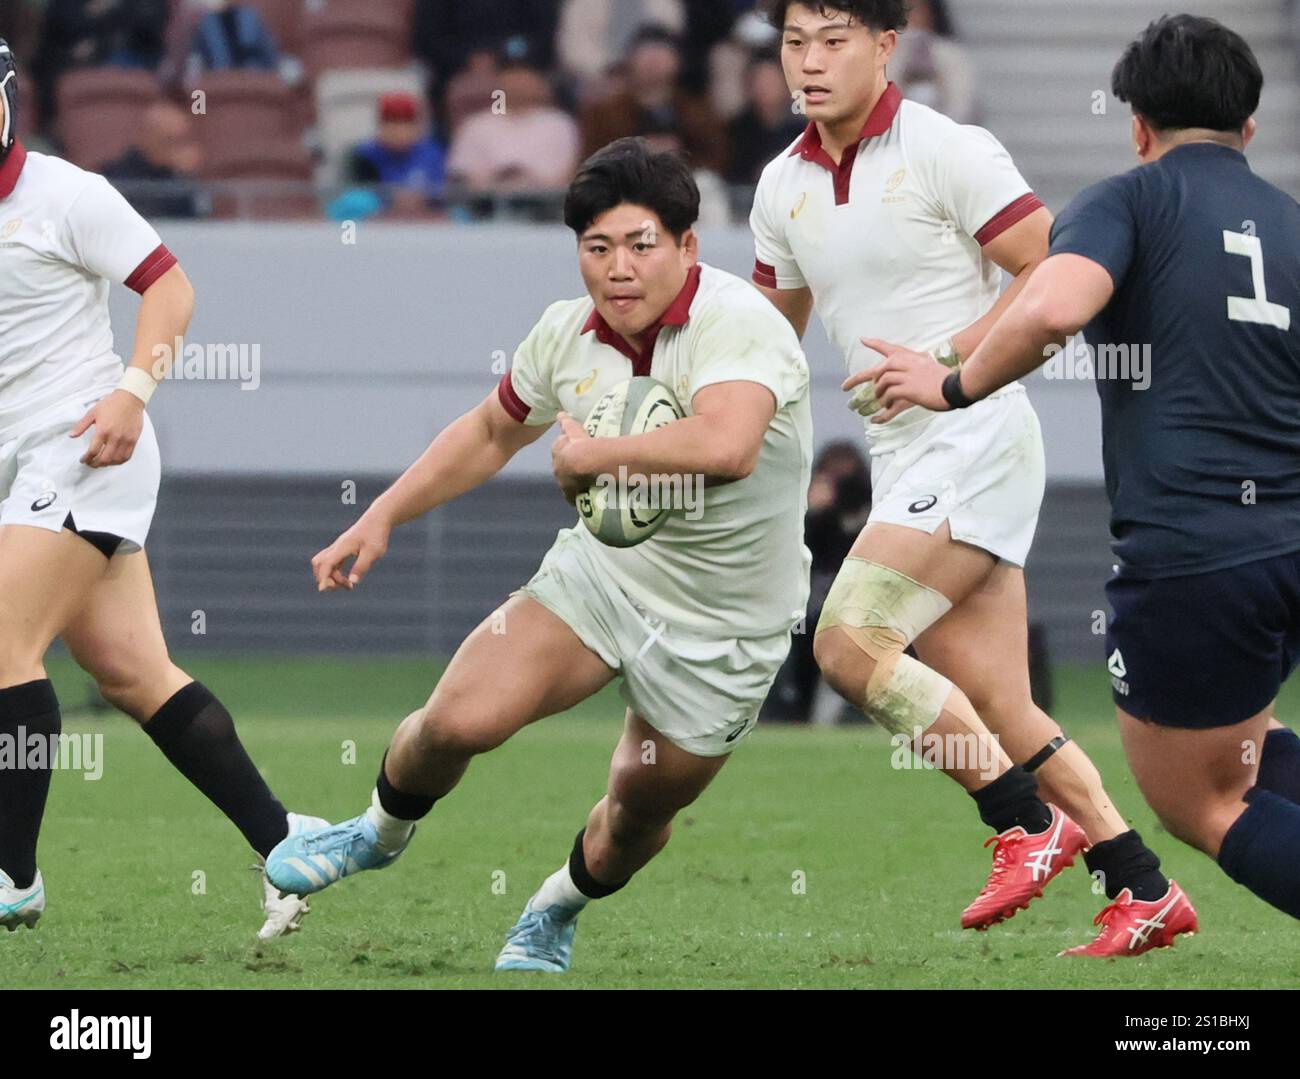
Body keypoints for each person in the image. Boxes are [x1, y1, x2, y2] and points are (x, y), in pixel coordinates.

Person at [265, 137, 816, 974]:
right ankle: (374, 832)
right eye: (598, 248)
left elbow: (730, 443)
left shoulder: (740, 323)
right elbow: (491, 431)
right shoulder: (566, 334)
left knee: (635, 814)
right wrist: (381, 515)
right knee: (455, 719)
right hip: (601, 579)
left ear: (687, 246)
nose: (618, 268)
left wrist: (594, 456)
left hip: (726, 625)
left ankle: (555, 905)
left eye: (640, 244)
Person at [750, 0, 1194, 955]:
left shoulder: (949, 147)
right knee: (1000, 701)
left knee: (849, 643)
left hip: (975, 430)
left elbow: (1055, 274)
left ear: (884, 45)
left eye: (834, 41)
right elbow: (765, 339)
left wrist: (945, 363)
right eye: (795, 43)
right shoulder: (779, 184)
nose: (811, 62)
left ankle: (1022, 823)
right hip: (906, 453)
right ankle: (1139, 882)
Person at [861, 14, 1300, 936]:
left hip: (1195, 550)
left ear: (1136, 123)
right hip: (1288, 538)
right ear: (1249, 129)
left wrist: (951, 383)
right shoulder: (1291, 225)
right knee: (1246, 757)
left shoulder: (1128, 198)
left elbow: (1055, 306)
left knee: (1200, 800)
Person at [0, 40, 324, 938]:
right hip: (21, 468)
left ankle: (10, 875)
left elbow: (171, 290)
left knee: (0, 641)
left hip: (86, 446)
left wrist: (132, 394)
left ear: (7, 102)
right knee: (134, 672)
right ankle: (285, 840)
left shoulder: (65, 194)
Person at [579, 26, 725, 174]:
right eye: (645, 56)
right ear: (630, 62)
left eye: (661, 56)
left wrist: (680, 156)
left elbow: (716, 157)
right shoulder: (603, 114)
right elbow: (591, 162)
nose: (653, 64)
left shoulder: (698, 113)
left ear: (678, 62)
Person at [447, 65, 579, 194]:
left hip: (547, 203)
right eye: (512, 76)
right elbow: (461, 172)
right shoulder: (477, 123)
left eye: (524, 76)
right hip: (485, 205)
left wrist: (528, 180)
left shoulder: (560, 123)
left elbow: (570, 171)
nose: (518, 83)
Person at [102, 102, 206, 220]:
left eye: (183, 141)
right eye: (169, 140)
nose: (180, 150)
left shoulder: (178, 176)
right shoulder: (117, 177)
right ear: (146, 137)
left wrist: (188, 177)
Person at [348, 92, 446, 213]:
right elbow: (360, 197)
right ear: (380, 125)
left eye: (405, 122)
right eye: (391, 121)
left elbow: (441, 194)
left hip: (425, 218)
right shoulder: (364, 155)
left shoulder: (432, 153)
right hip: (379, 219)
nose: (399, 130)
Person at [724, 49, 806, 186]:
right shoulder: (738, 127)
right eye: (758, 80)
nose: (764, 88)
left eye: (770, 81)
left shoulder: (802, 126)